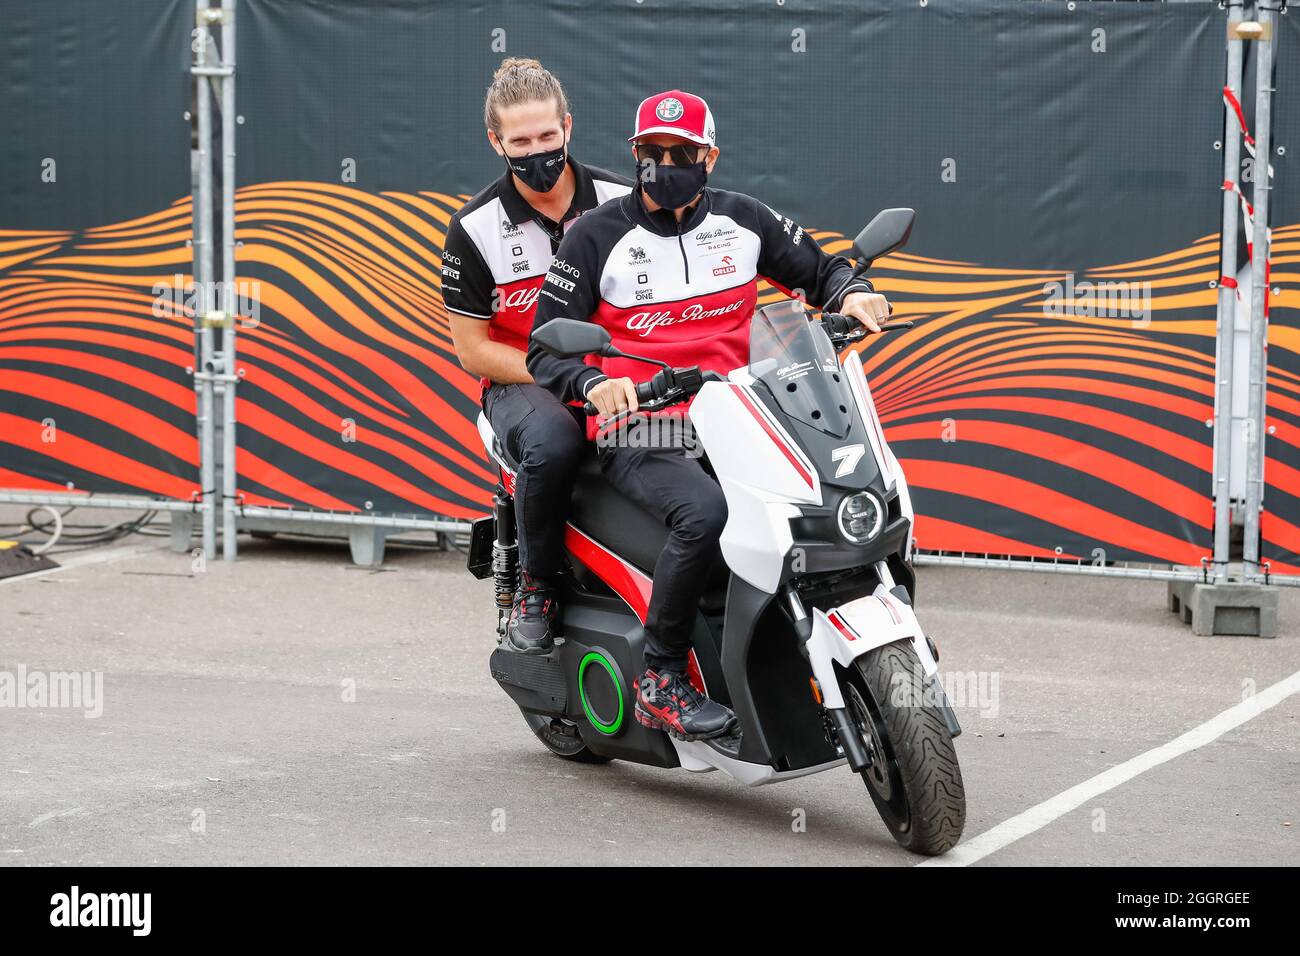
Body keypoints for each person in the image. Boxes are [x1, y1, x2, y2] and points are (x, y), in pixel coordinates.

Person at [528, 90, 891, 741]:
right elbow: (542, 343)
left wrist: (854, 293)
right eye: (651, 153)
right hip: (644, 423)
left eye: (682, 153)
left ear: (710, 157)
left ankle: (872, 637)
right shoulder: (595, 235)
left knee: (841, 489)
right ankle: (662, 678)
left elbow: (821, 269)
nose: (665, 164)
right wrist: (591, 381)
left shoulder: (745, 220)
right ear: (635, 156)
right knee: (705, 514)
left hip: (743, 413)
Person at [443, 58, 631, 653]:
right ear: (496, 141)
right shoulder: (473, 229)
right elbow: (473, 351)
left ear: (568, 126)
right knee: (553, 442)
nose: (537, 151)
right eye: (520, 141)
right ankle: (537, 587)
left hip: (622, 372)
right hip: (523, 384)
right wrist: (567, 375)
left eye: (548, 136)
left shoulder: (625, 201)